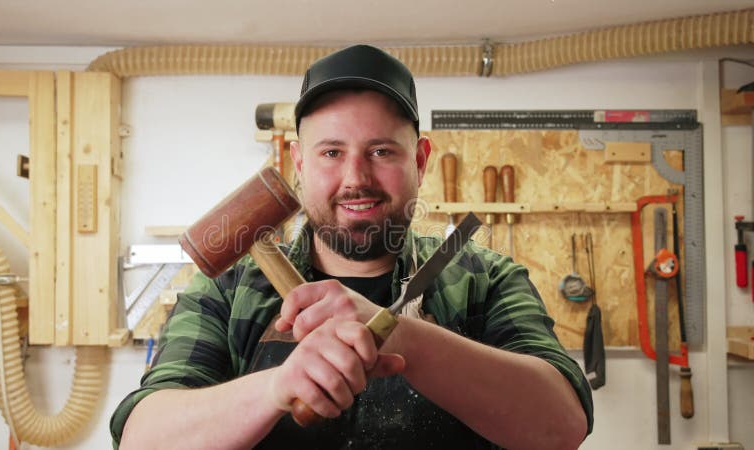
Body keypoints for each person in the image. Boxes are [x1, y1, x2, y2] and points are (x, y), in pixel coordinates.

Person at [111, 44, 593, 450]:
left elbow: (562, 425)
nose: (355, 179)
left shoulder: (482, 278)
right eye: (331, 152)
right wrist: (276, 387)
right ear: (298, 161)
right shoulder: (229, 291)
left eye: (382, 151)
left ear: (420, 162)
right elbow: (143, 437)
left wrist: (400, 336)